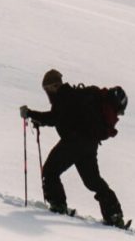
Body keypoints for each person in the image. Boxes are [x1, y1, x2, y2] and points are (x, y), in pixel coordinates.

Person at [21, 68, 126, 227]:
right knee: (93, 181)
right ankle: (114, 215)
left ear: (54, 86)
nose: (47, 93)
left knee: (50, 171)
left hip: (74, 143)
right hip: (89, 145)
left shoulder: (64, 97)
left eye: (47, 89)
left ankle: (58, 206)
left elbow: (54, 118)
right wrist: (39, 119)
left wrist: (30, 114)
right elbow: (58, 118)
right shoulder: (73, 96)